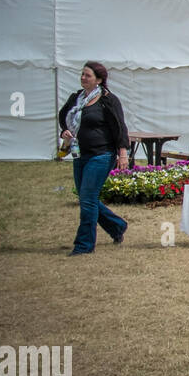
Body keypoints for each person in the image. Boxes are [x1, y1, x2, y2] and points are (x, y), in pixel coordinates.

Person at [57, 62, 130, 255]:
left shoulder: (108, 100)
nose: (83, 78)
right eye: (82, 74)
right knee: (86, 198)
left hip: (102, 154)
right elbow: (63, 116)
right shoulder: (76, 98)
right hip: (80, 153)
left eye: (87, 75)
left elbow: (120, 127)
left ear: (98, 79)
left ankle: (84, 245)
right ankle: (117, 226)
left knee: (88, 199)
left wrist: (123, 153)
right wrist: (65, 130)